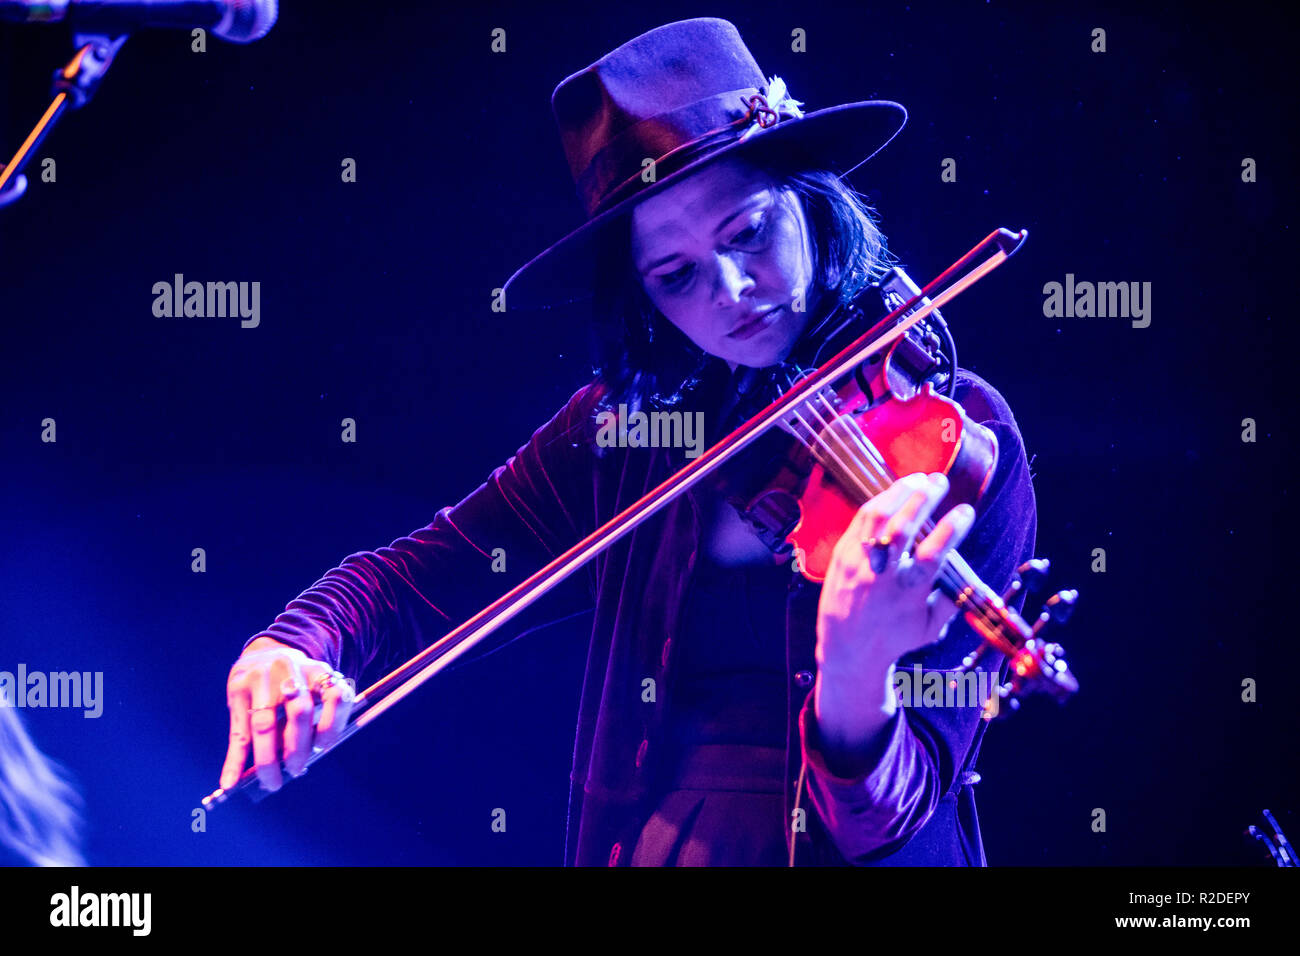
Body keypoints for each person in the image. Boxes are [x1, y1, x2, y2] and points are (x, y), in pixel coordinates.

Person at [217, 18, 1037, 866]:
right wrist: (290, 646)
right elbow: (418, 579)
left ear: (810, 200)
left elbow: (892, 826)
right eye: (675, 274)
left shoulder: (956, 439)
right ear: (644, 299)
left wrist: (855, 674)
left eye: (748, 231)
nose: (729, 292)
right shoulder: (631, 433)